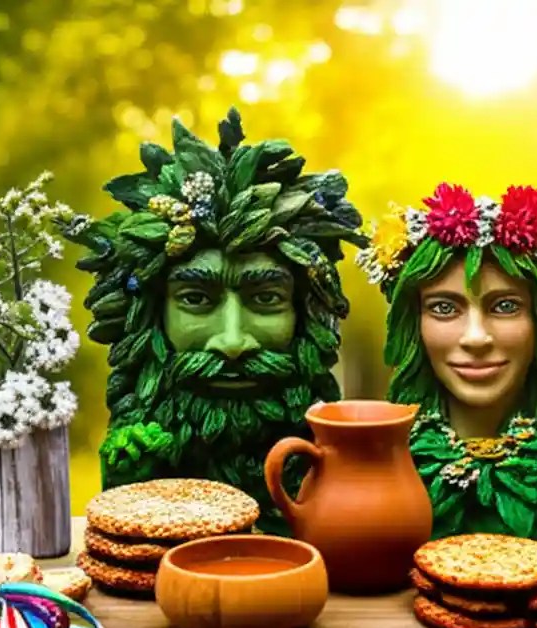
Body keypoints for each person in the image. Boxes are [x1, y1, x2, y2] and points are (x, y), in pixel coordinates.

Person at [63, 108, 367, 536]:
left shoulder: (335, 464)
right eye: (195, 300)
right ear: (150, 314)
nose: (232, 342)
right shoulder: (140, 443)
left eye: (265, 299)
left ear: (307, 313)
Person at [357, 182, 537, 540]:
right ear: (413, 326)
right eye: (444, 308)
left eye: (505, 306)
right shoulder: (381, 466)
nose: (476, 337)